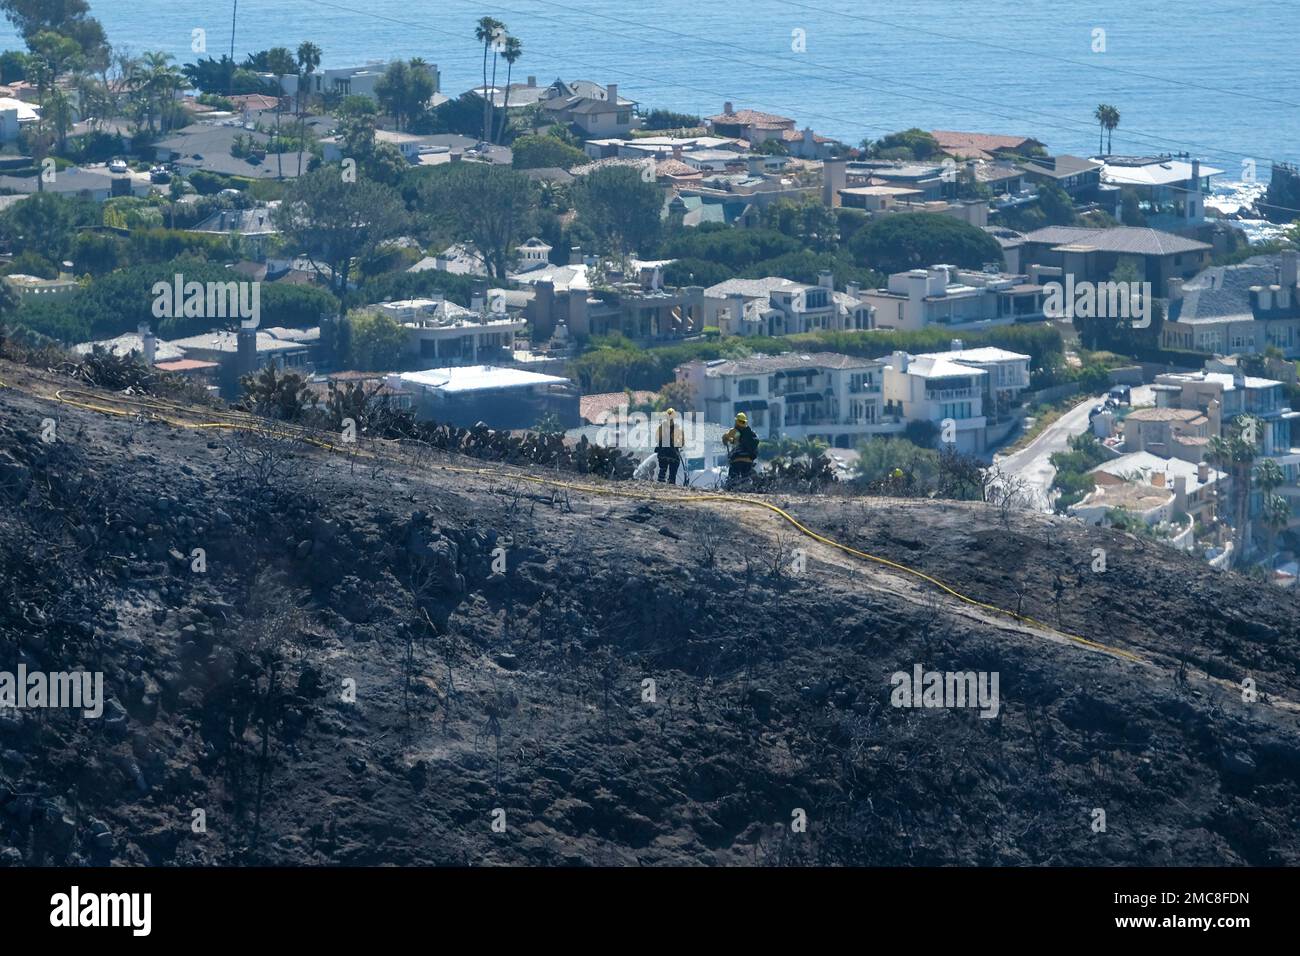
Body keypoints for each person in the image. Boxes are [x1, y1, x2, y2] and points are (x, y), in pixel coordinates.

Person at [722, 412, 760, 489]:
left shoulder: (734, 431)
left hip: (737, 461)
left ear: (736, 421)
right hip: (748, 462)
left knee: (732, 480)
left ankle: (731, 489)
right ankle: (746, 489)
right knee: (745, 479)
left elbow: (727, 439)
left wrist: (725, 438)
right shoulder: (751, 433)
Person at [655, 408, 685, 483]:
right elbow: (681, 443)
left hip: (662, 453)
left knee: (662, 472)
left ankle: (661, 483)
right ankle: (670, 484)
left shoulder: (661, 427)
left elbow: (657, 439)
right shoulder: (678, 429)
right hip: (673, 454)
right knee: (672, 475)